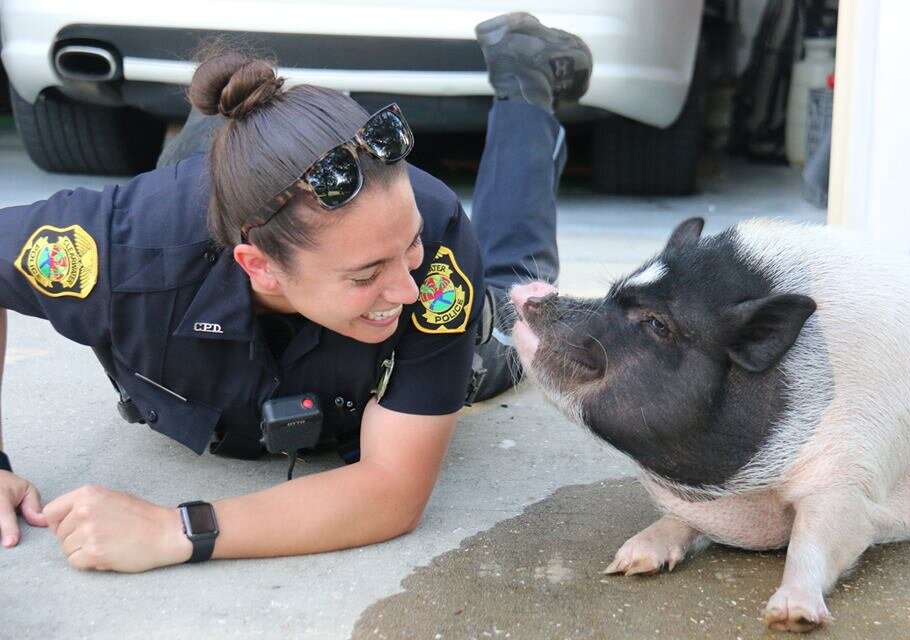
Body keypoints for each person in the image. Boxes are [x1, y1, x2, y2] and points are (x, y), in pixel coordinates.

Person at [0, 12, 591, 572]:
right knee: (198, 183)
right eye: (365, 275)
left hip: (332, 359)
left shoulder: (433, 247)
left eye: (406, 247)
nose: (407, 290)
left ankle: (526, 84)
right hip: (194, 229)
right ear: (258, 267)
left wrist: (173, 530)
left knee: (520, 310)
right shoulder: (120, 253)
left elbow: (391, 491)